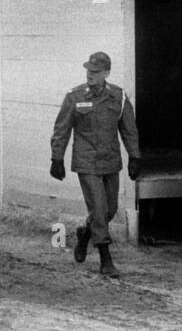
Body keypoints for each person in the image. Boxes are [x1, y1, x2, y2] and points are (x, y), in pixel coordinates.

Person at [50, 51, 141, 278]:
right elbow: (62, 129)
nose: (90, 75)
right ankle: (105, 259)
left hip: (110, 161)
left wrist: (134, 156)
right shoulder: (75, 96)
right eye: (88, 71)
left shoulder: (118, 98)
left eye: (96, 72)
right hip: (86, 161)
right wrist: (57, 158)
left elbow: (129, 130)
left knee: (110, 209)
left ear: (106, 73)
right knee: (99, 209)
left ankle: (85, 234)